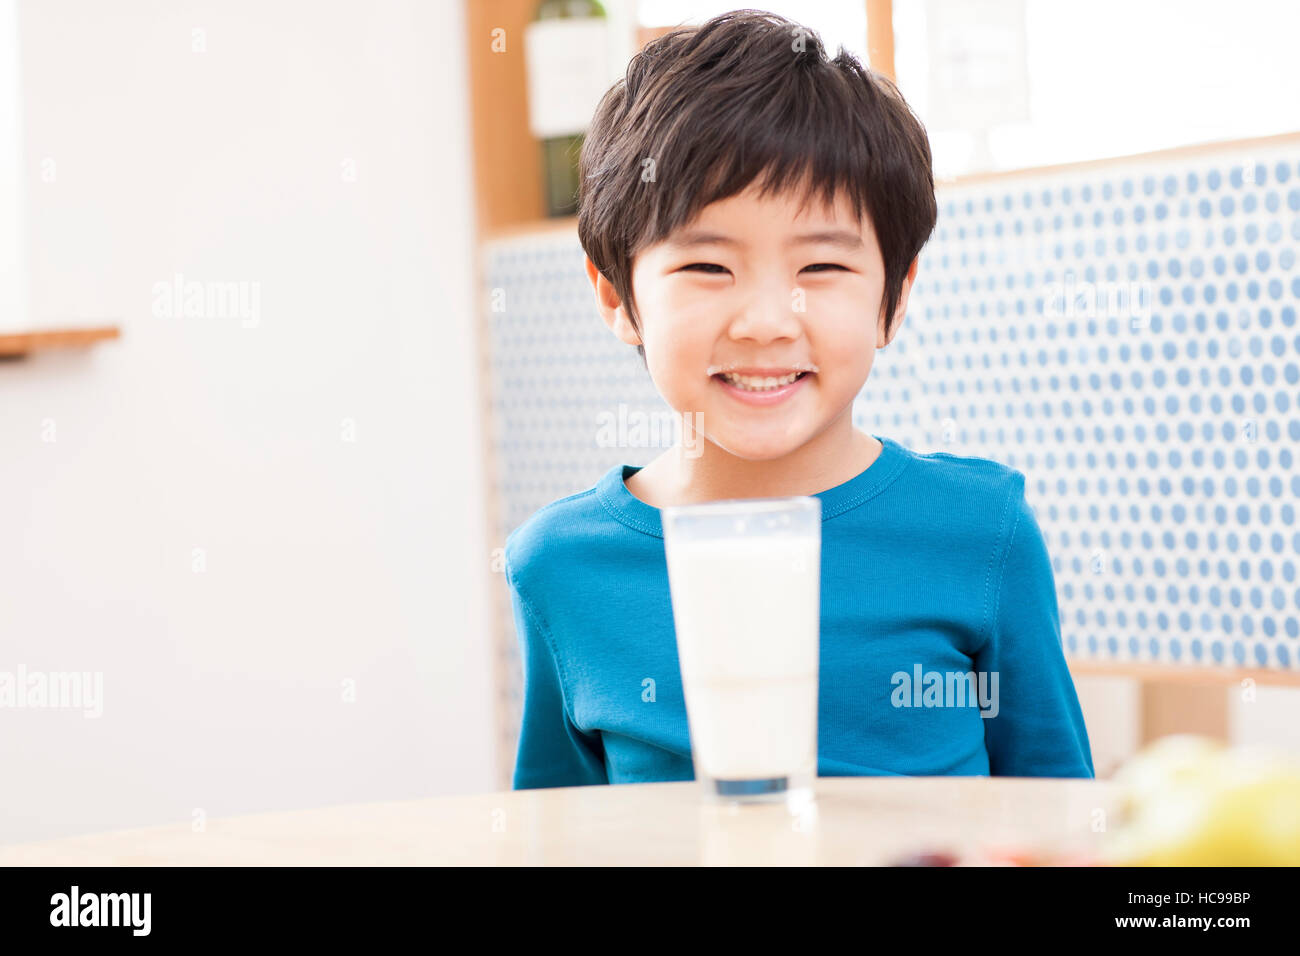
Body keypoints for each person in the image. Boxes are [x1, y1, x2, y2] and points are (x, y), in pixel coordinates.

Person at [505, 10, 1093, 788]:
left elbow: (1058, 817)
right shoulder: (561, 566)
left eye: (821, 268)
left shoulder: (982, 533)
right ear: (617, 296)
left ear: (895, 295)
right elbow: (558, 833)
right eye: (707, 268)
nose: (766, 321)